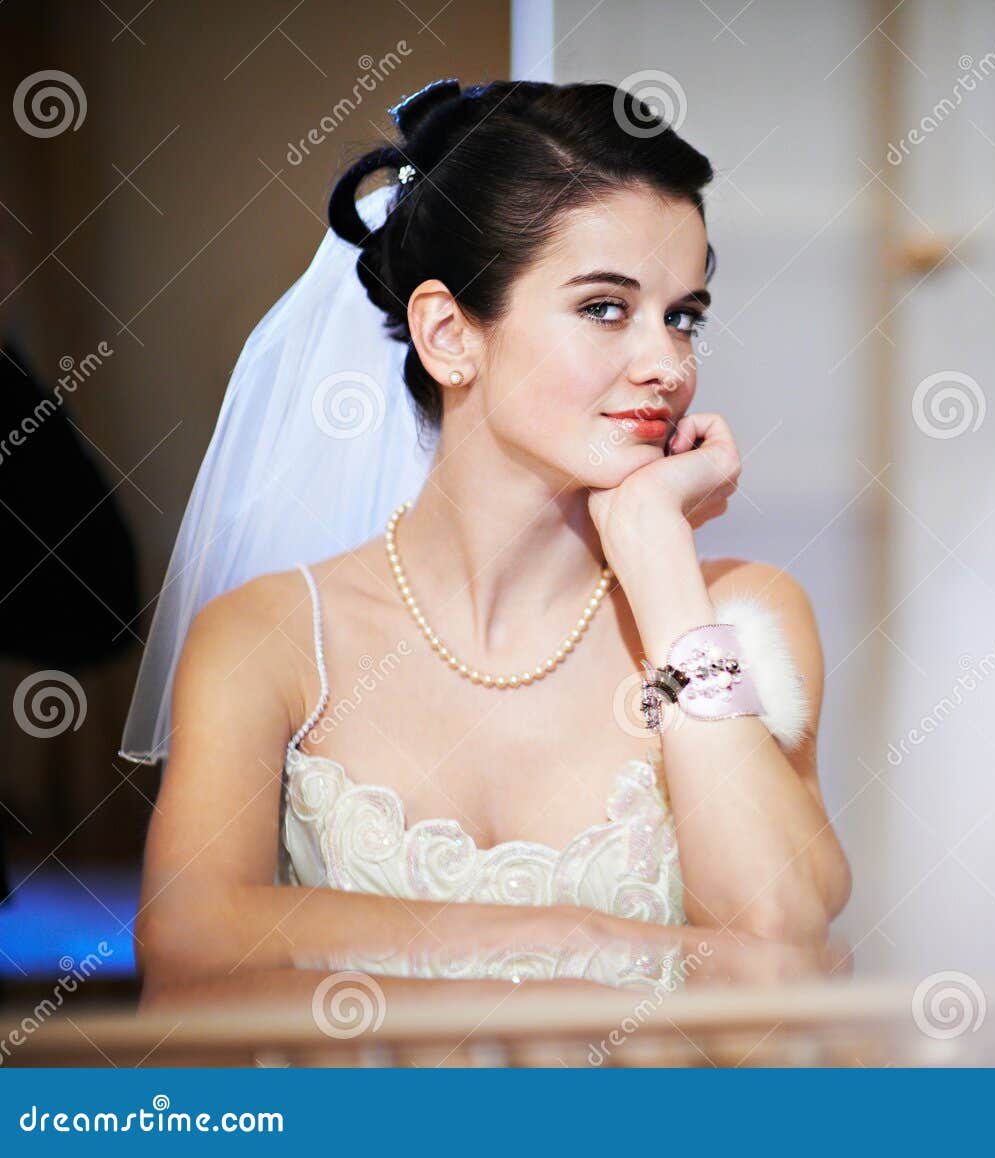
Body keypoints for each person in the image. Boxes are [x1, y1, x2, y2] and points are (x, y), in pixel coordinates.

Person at [123, 79, 851, 999]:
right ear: (448, 334)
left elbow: (783, 937)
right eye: (605, 308)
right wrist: (579, 938)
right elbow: (187, 942)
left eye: (683, 316)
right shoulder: (266, 638)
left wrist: (662, 567)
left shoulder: (739, 614)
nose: (668, 365)